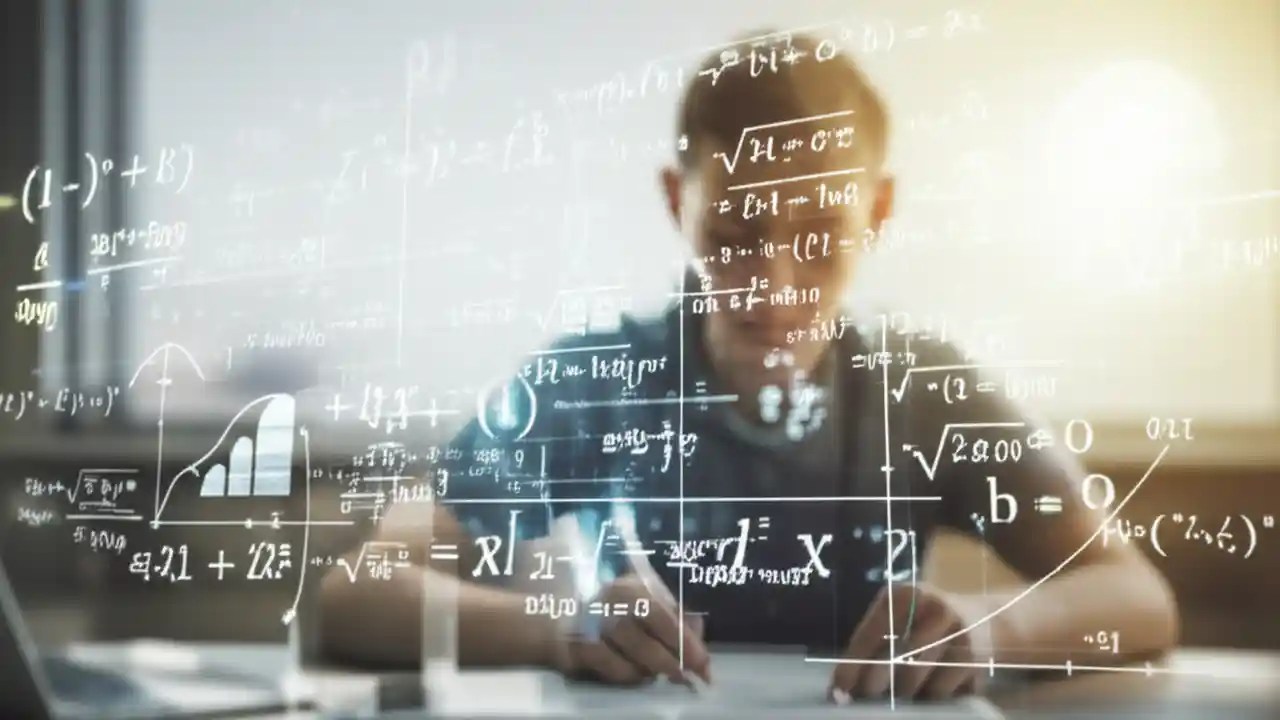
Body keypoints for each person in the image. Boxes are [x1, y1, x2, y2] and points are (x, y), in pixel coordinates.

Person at [319, 29, 1178, 703]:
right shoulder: (596, 382)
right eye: (732, 242)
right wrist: (558, 626)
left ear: (877, 210)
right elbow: (358, 590)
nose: (772, 289)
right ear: (674, 201)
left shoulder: (923, 391)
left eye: (818, 246)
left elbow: (1137, 598)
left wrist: (991, 630)